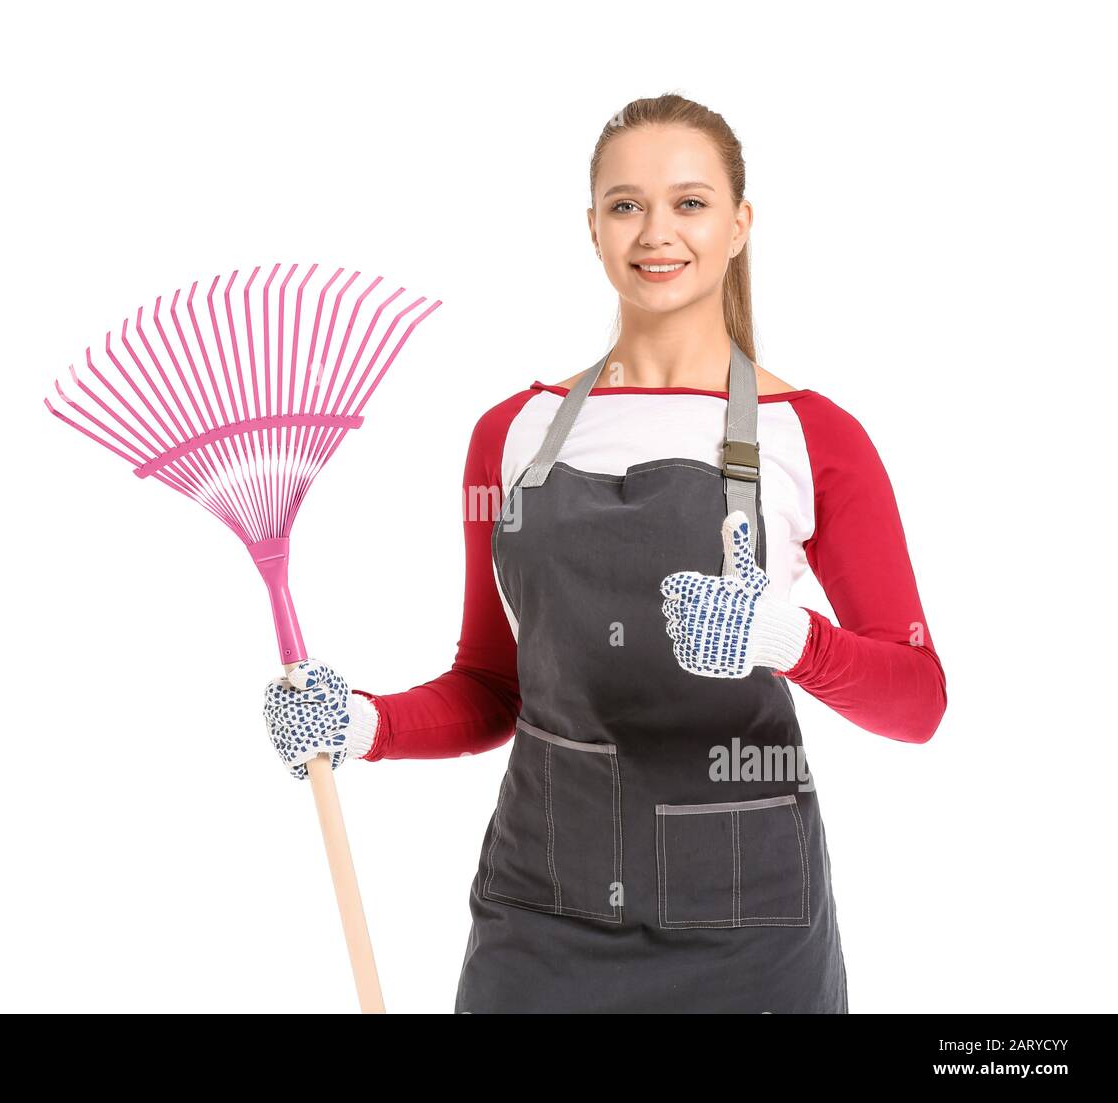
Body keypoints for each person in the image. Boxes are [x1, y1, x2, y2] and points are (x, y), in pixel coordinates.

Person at [261, 93, 947, 1013]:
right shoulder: (513, 433)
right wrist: (364, 726)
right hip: (542, 916)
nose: (656, 232)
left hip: (746, 930)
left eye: (690, 203)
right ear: (592, 227)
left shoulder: (814, 435)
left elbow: (918, 700)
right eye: (627, 204)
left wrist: (784, 636)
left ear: (740, 224)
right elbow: (493, 687)